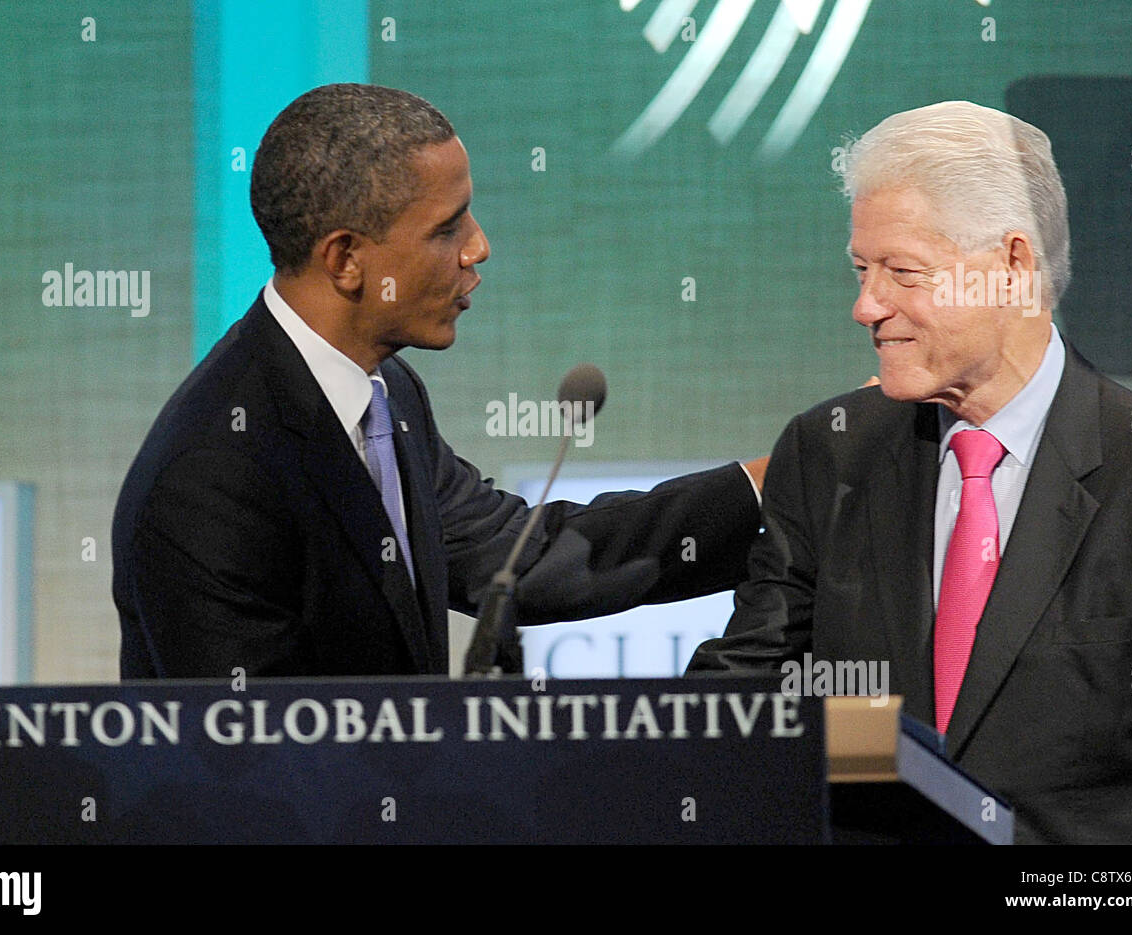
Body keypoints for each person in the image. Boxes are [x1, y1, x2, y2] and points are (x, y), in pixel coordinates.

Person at [113, 84, 763, 680]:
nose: (477, 247)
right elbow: (261, 770)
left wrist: (771, 486)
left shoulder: (388, 392)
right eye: (448, 227)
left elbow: (518, 558)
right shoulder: (211, 479)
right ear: (345, 259)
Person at [690, 101, 1132, 844]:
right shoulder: (828, 454)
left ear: (1013, 266)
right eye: (862, 269)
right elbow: (746, 701)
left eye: (903, 272)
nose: (866, 305)